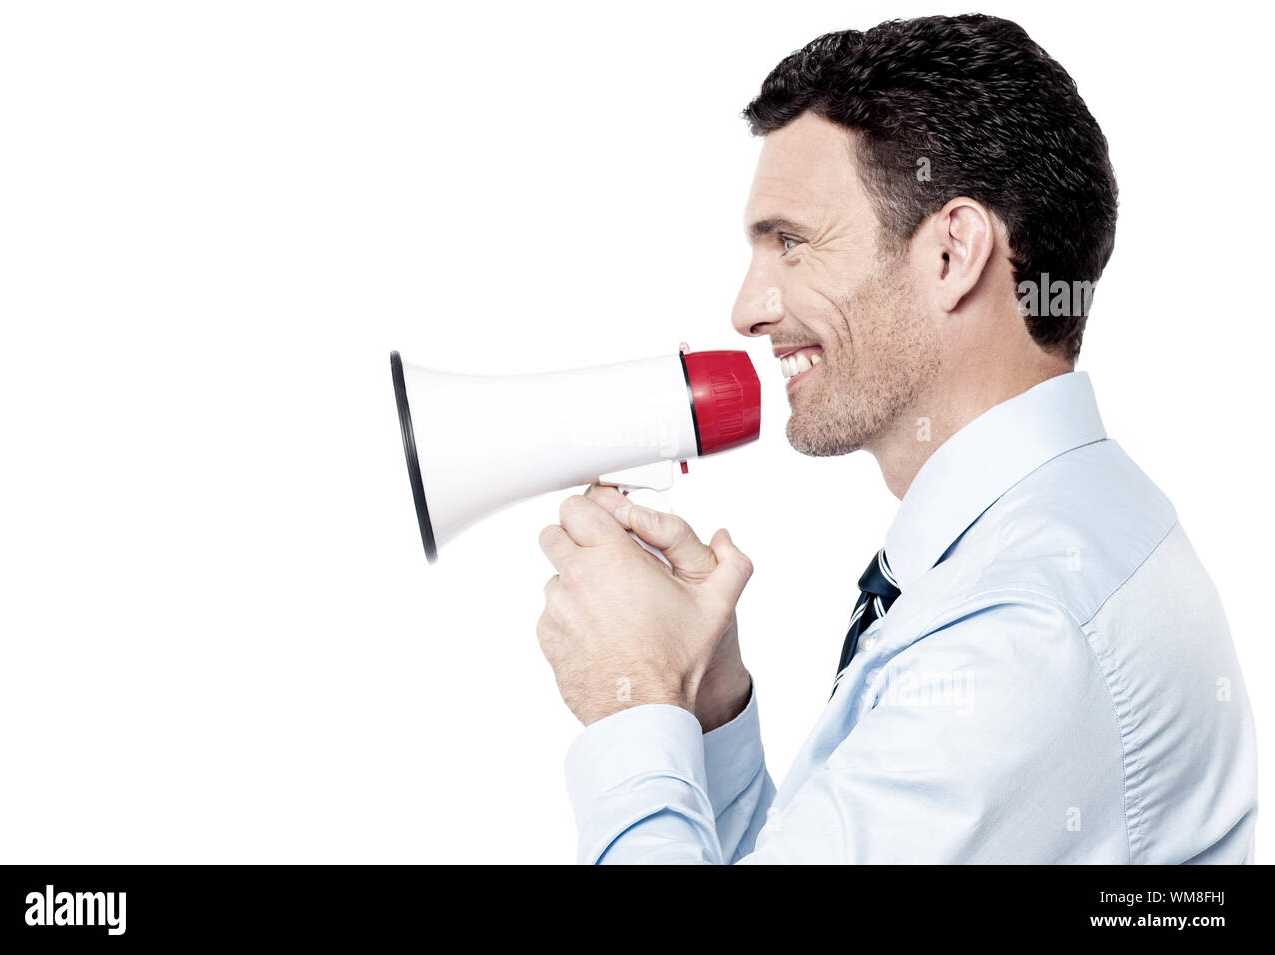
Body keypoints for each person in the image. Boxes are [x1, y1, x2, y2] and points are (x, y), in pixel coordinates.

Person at [534, 14, 1257, 863]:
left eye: (791, 244)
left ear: (953, 252)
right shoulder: (1041, 541)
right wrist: (708, 711)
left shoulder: (1023, 632)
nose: (748, 308)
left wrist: (635, 705)